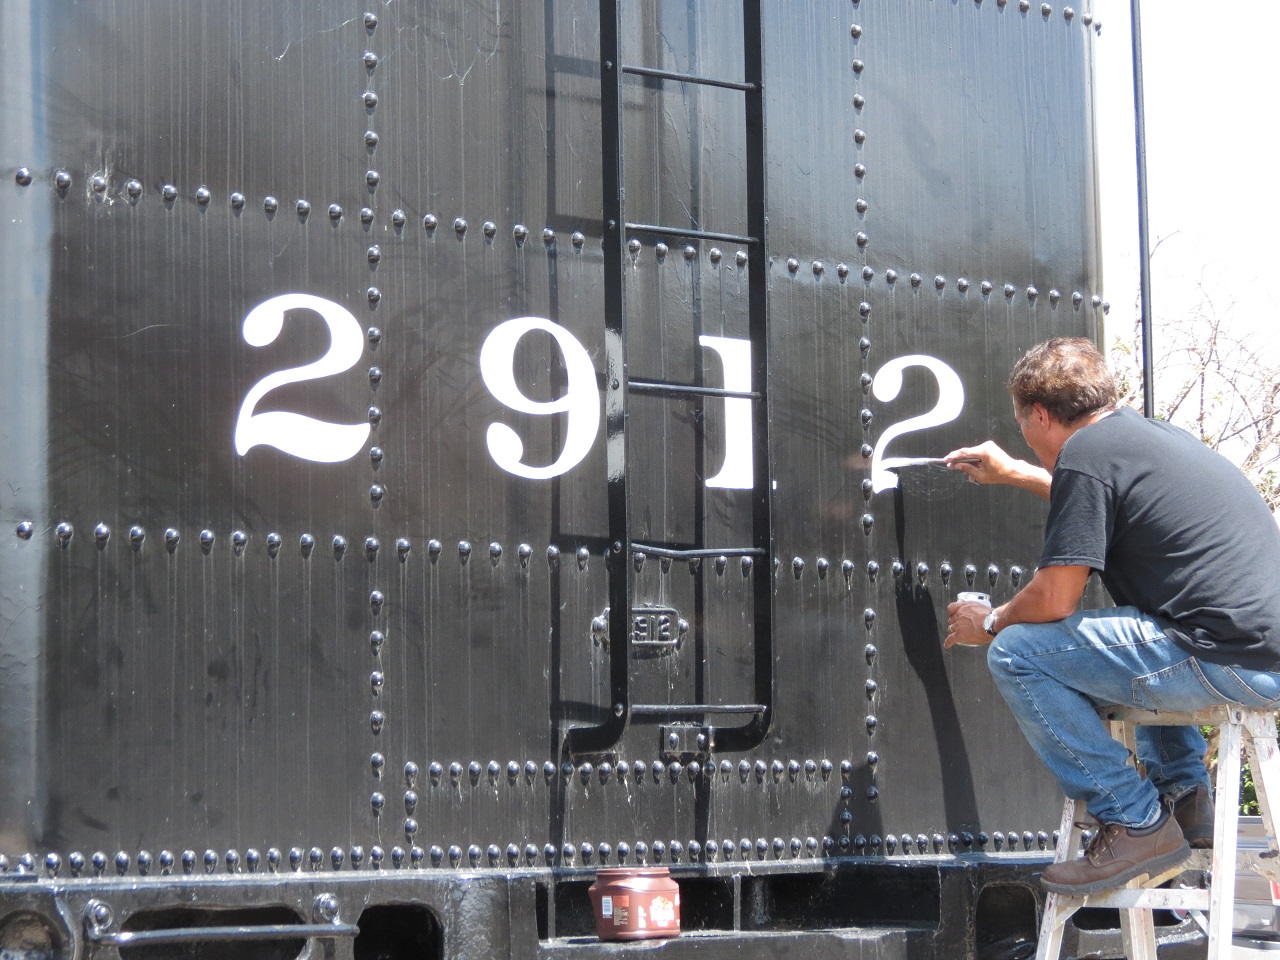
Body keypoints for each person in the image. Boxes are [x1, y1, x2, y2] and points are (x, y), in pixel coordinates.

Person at [943, 337, 1280, 896]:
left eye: (1024, 424)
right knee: (1139, 620)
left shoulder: (1086, 455)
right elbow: (1108, 500)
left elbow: (1055, 600)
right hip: (1260, 655)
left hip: (1227, 659)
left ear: (1042, 415)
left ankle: (1137, 823)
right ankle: (1185, 797)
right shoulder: (1149, 437)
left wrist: (993, 620)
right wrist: (1018, 473)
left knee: (1019, 653)